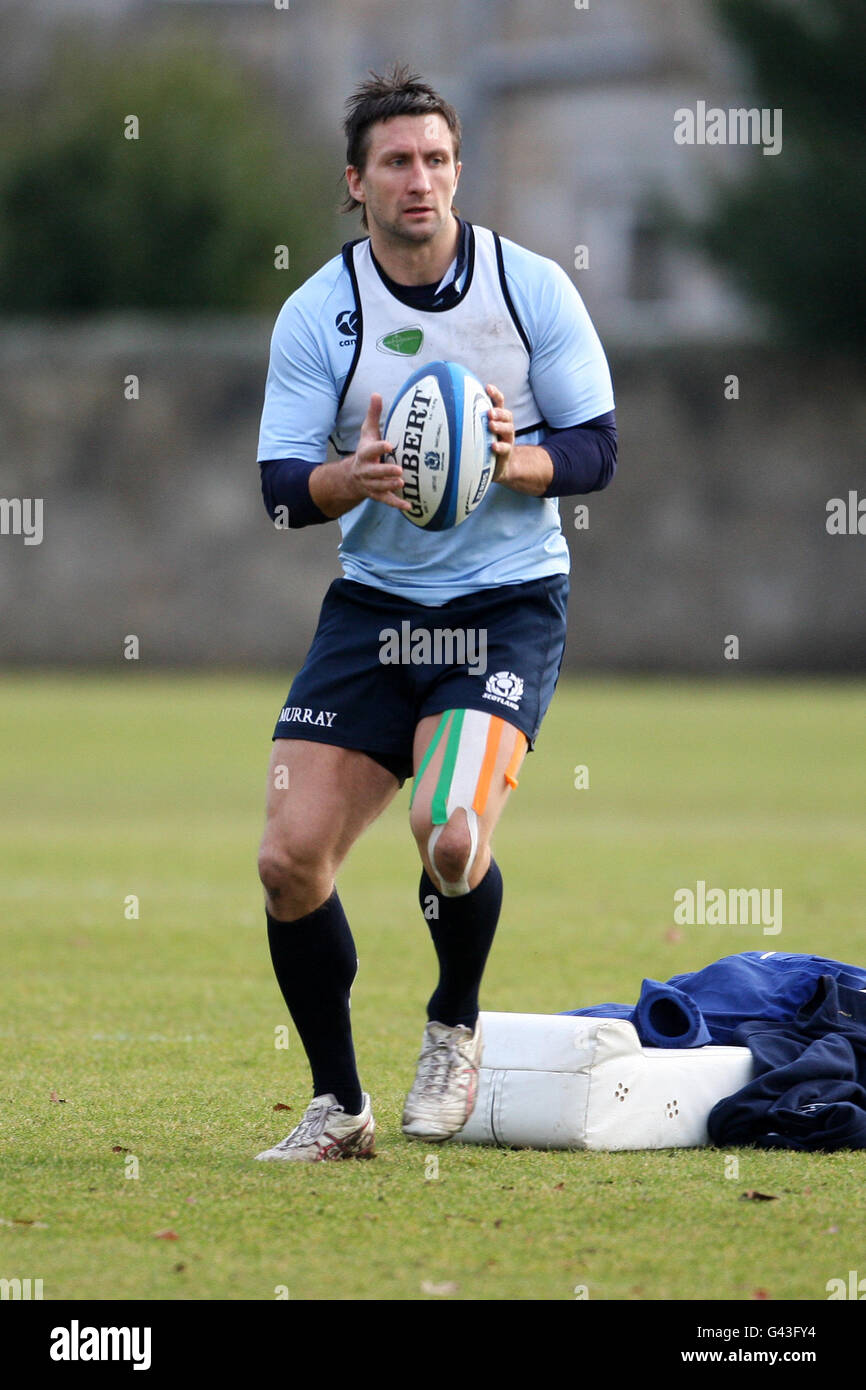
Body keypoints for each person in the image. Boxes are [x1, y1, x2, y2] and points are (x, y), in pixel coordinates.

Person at [254, 64, 616, 1161]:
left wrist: (512, 463)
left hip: (504, 608)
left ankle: (453, 1024)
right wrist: (348, 479)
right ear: (354, 183)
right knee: (287, 859)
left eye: (438, 160)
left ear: (458, 170)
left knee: (449, 838)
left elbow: (597, 450)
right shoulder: (322, 310)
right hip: (372, 610)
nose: (422, 181)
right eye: (398, 163)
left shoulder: (529, 287)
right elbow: (278, 488)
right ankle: (338, 1107)